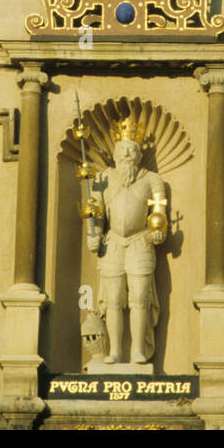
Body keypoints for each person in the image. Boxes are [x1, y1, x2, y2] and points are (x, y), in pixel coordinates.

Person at [85, 123, 167, 364]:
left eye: (132, 150)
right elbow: (96, 212)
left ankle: (138, 350)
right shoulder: (102, 179)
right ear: (115, 154)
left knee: (140, 297)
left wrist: (158, 231)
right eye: (123, 150)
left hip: (140, 241)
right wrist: (94, 234)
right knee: (113, 299)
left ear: (139, 155)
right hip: (112, 243)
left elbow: (159, 212)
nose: (127, 155)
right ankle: (115, 352)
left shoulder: (153, 180)